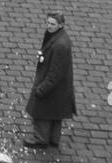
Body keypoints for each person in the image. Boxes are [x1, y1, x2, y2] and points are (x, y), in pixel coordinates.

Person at [24, 11, 76, 149]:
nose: (49, 26)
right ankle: (53, 138)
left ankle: (40, 139)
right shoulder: (59, 37)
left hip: (52, 85)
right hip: (60, 88)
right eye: (48, 22)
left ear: (60, 25)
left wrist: (42, 89)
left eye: (52, 24)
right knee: (54, 113)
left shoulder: (59, 45)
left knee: (42, 112)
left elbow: (55, 73)